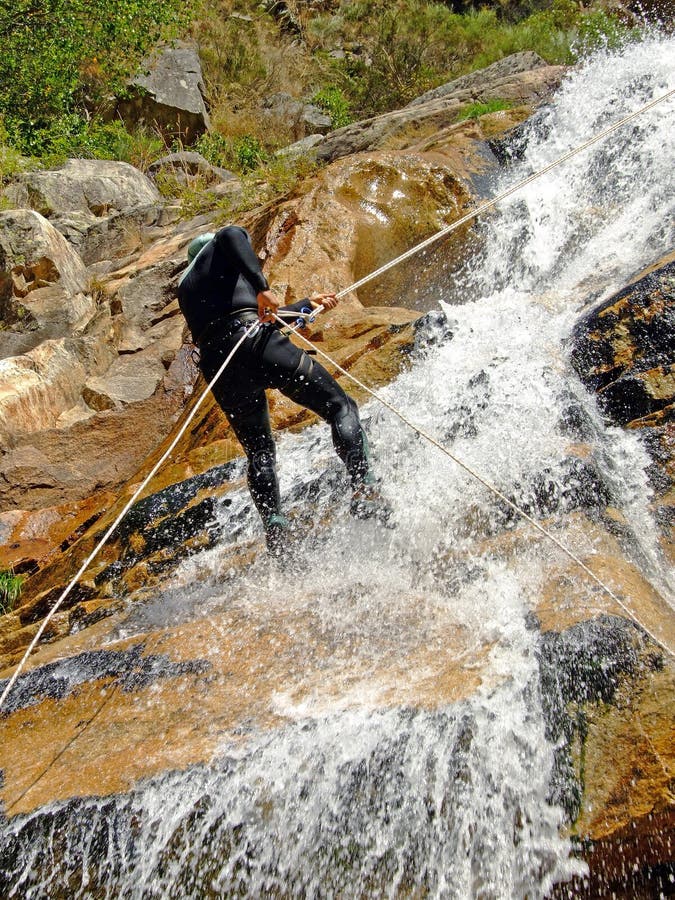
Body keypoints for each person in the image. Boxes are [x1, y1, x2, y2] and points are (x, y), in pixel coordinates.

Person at [177, 225, 384, 555]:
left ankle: (275, 527)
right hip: (253, 340)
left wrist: (305, 306)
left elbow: (246, 315)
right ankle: (363, 487)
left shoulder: (186, 289)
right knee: (339, 407)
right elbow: (231, 236)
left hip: (221, 368)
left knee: (259, 451)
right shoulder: (221, 245)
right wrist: (263, 288)